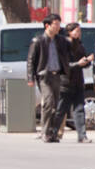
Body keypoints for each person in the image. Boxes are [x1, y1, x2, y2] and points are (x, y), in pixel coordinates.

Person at [27, 13, 68, 142]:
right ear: (47, 25)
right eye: (55, 24)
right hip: (44, 76)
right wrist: (30, 78)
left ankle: (52, 133)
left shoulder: (60, 40)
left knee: (55, 105)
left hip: (57, 75)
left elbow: (65, 57)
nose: (58, 27)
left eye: (59, 24)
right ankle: (44, 132)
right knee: (48, 102)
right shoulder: (38, 41)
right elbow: (30, 60)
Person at [48, 22, 92, 142]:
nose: (78, 33)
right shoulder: (63, 45)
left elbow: (84, 64)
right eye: (76, 31)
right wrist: (78, 63)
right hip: (65, 83)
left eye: (79, 31)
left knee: (79, 109)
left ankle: (82, 135)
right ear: (69, 32)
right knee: (61, 109)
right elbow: (64, 65)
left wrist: (87, 61)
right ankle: (53, 133)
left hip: (78, 82)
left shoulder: (80, 46)